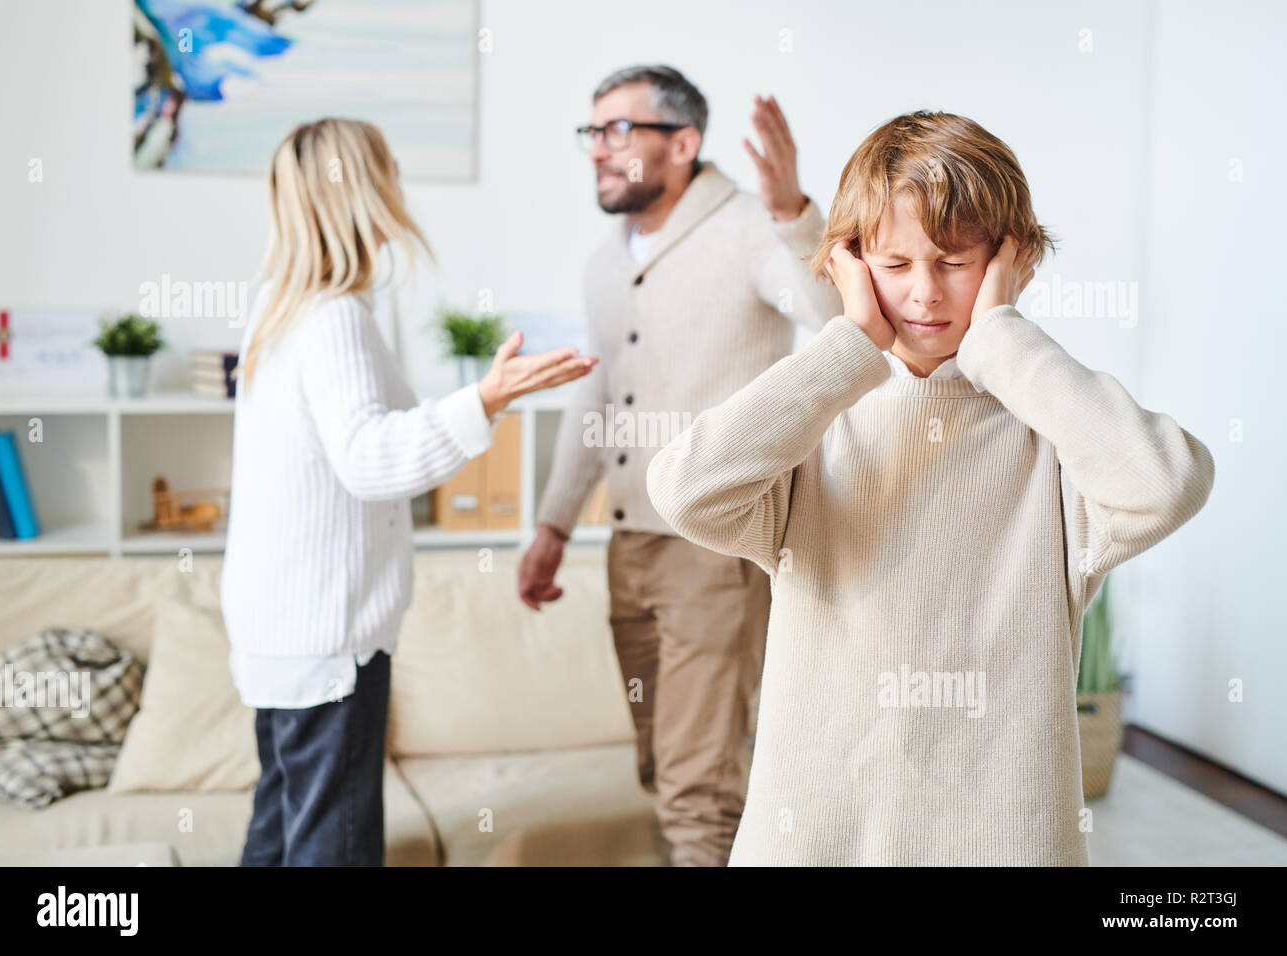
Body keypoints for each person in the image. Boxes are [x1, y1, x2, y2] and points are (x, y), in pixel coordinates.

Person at [646, 110, 1216, 865]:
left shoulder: (1053, 435)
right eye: (894, 263)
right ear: (849, 263)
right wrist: (848, 346)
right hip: (816, 841)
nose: (923, 293)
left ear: (1013, 263)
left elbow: (1167, 484)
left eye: (954, 263)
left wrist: (1004, 339)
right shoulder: (812, 423)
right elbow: (685, 490)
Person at [220, 117, 596, 866]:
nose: (400, 181)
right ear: (364, 189)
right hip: (328, 643)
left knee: (279, 827)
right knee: (334, 842)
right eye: (389, 167)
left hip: (281, 638)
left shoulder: (280, 308)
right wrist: (483, 401)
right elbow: (368, 458)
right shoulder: (331, 320)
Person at [517, 65, 843, 866]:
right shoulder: (606, 260)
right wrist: (554, 524)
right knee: (661, 766)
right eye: (592, 132)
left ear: (684, 143)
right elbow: (597, 396)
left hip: (714, 548)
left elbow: (835, 317)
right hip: (630, 546)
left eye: (619, 131)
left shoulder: (748, 227)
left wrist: (795, 212)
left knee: (698, 787)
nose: (598, 150)